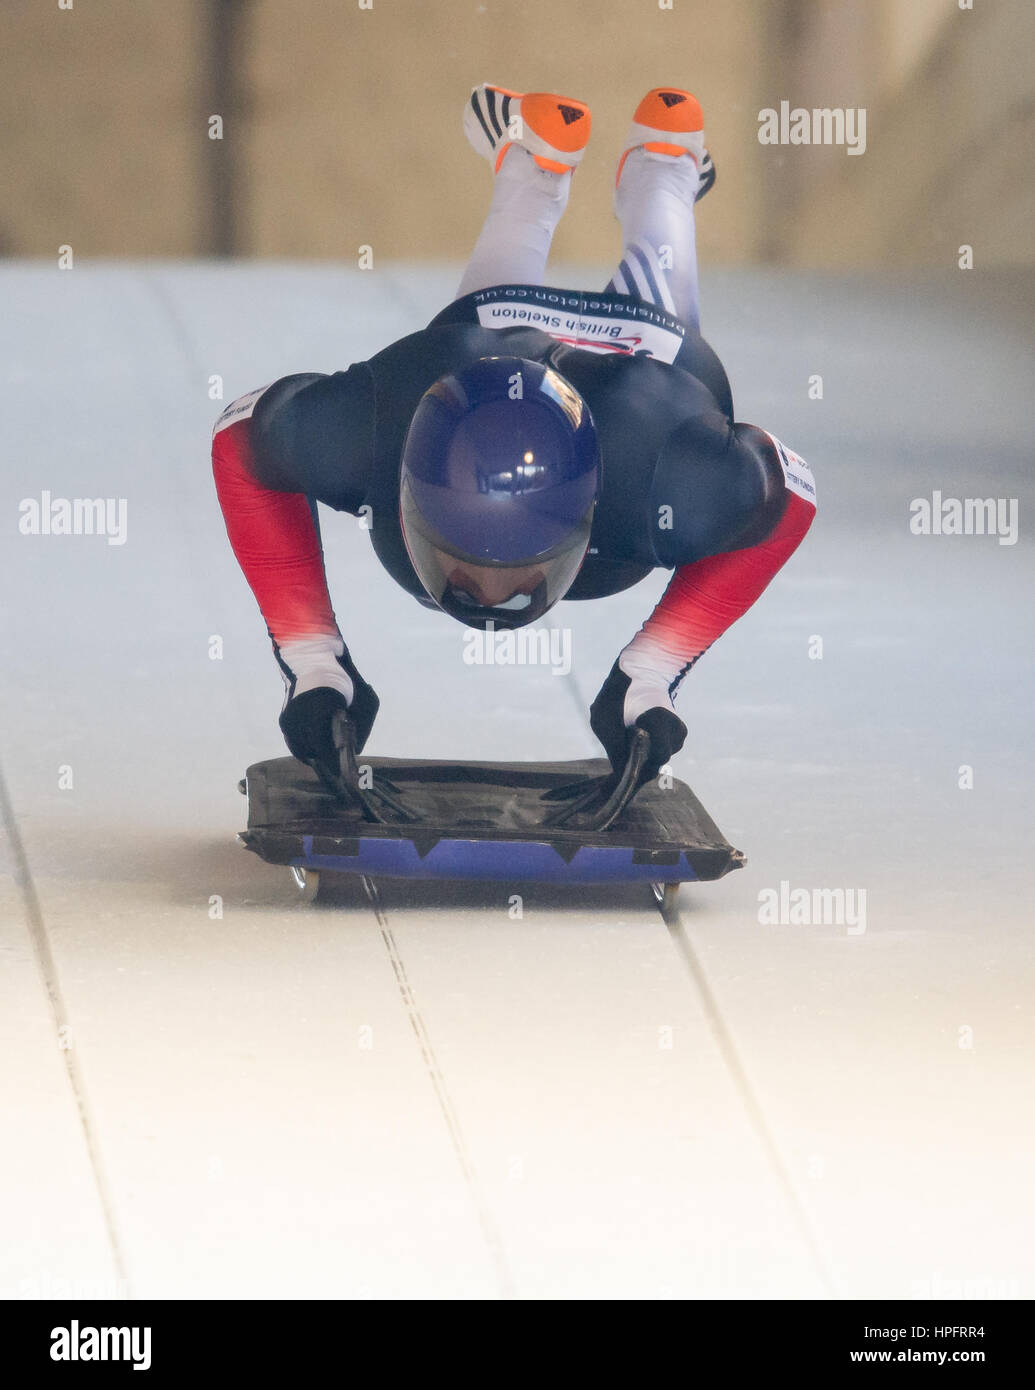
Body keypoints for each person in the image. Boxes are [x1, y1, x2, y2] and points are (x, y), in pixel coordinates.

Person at [212, 84, 816, 794]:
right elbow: (239, 441)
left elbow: (790, 490)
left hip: (640, 365)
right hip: (488, 339)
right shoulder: (362, 430)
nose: (491, 600)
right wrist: (311, 659)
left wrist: (652, 670)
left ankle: (636, 165)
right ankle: (638, 157)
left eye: (512, 570)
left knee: (641, 277)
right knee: (531, 305)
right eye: (466, 566)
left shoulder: (673, 475)